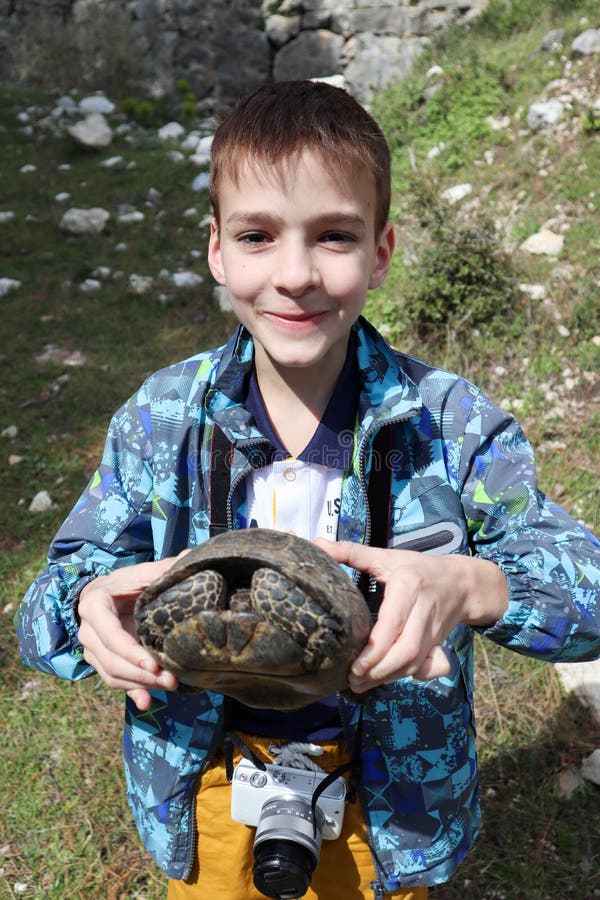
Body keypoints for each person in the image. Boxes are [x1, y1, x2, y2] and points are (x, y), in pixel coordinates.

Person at [15, 79, 600, 900]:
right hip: (210, 784)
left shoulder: (449, 425)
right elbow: (46, 602)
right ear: (217, 250)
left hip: (390, 802)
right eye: (257, 236)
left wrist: (472, 585)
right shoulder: (161, 420)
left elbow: (588, 592)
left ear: (381, 251)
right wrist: (85, 610)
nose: (295, 274)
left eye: (333, 236)